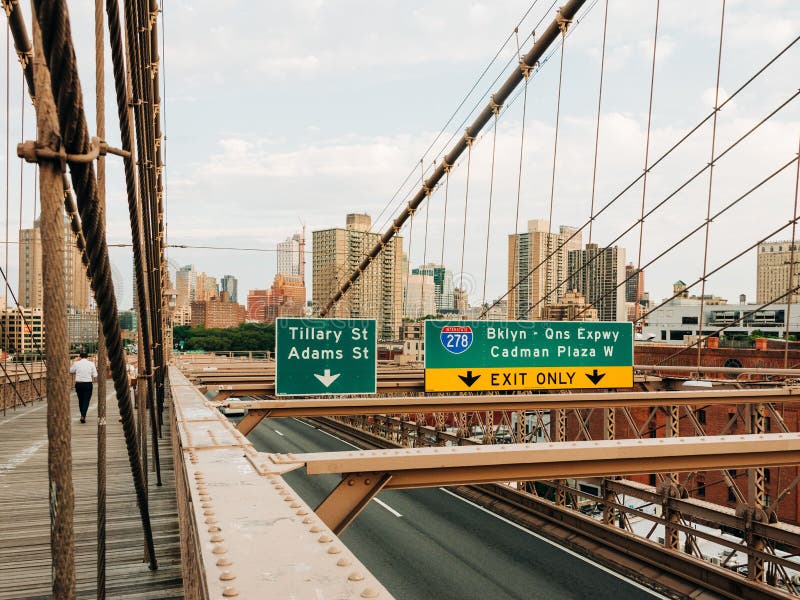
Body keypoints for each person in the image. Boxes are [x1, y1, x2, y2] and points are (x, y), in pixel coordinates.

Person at [70, 351, 98, 423]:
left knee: (80, 400)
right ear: (87, 357)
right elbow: (95, 375)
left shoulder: (76, 363)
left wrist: (75, 362)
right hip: (88, 384)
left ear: (80, 357)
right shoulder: (91, 364)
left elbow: (71, 371)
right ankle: (83, 415)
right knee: (86, 400)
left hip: (79, 384)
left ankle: (82, 415)